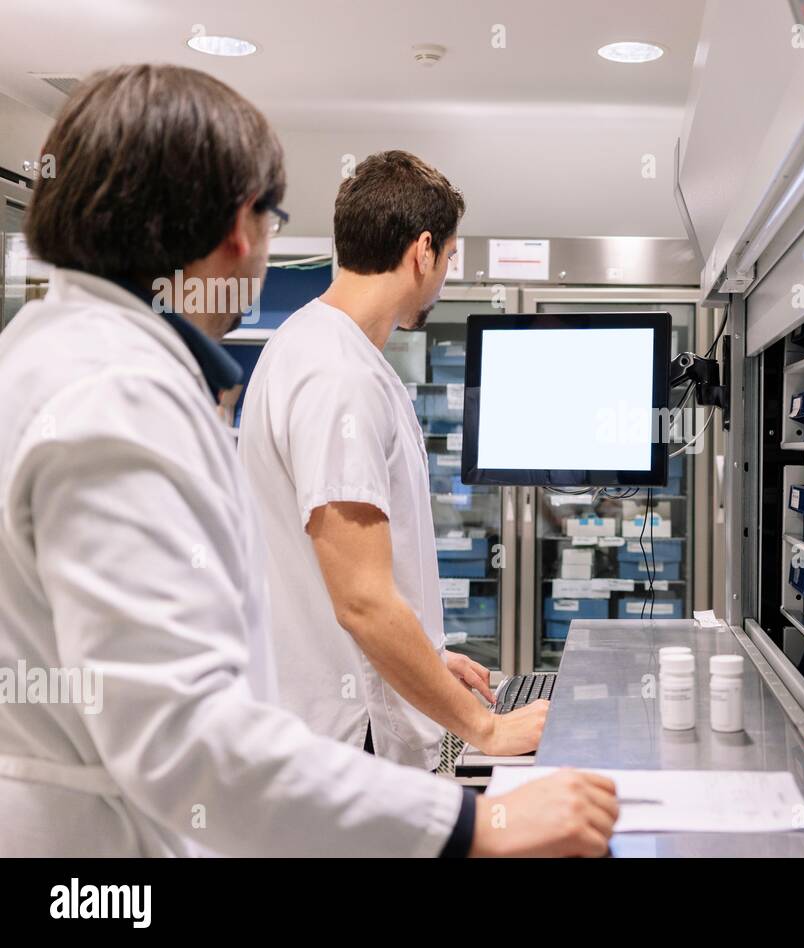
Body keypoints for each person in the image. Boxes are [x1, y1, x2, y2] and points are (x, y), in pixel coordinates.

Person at [0, 63, 616, 857]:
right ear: (239, 226)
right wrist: (475, 818)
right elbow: (187, 733)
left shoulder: (53, 355)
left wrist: (428, 662)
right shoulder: (121, 397)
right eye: (273, 218)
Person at [237, 151, 544, 766]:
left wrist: (427, 658)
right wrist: (486, 730)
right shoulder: (339, 375)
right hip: (345, 739)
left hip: (331, 722)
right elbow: (363, 602)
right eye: (449, 257)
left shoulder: (315, 345)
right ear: (422, 251)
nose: (445, 275)